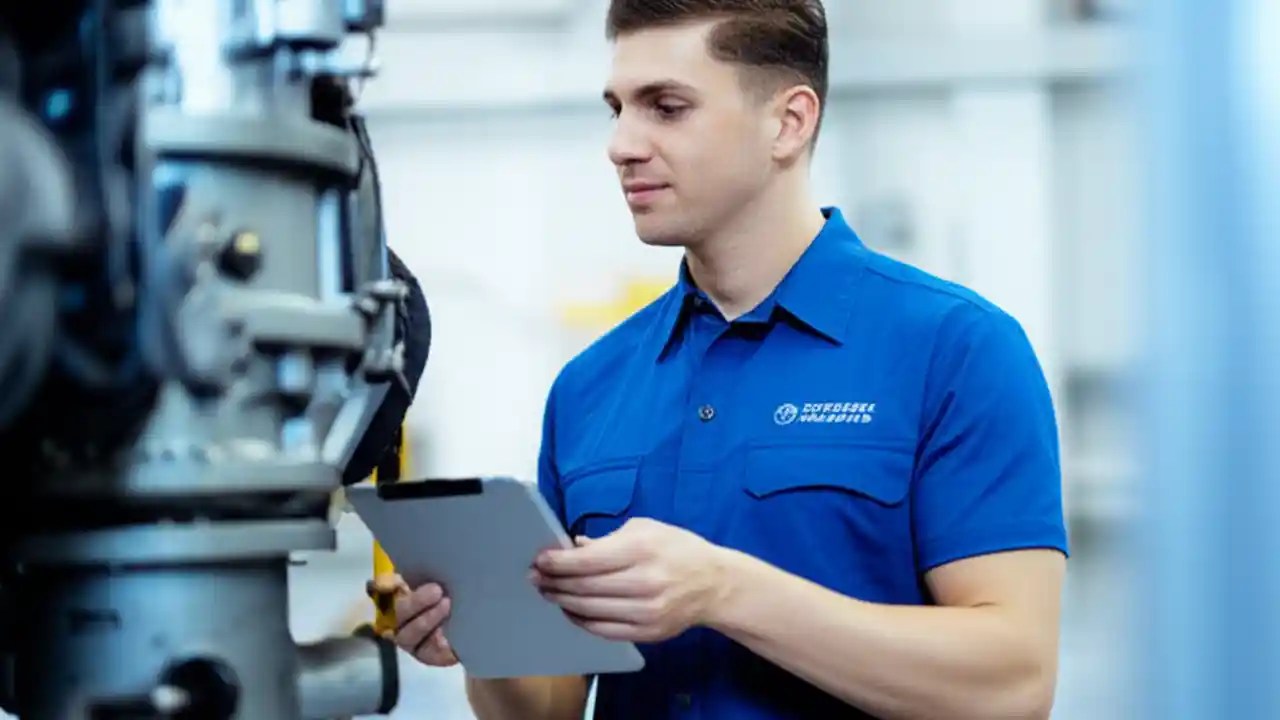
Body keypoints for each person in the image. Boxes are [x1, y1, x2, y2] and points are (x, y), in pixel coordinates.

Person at [382, 1, 1069, 718]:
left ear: (788, 122)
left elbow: (1012, 688)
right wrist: (487, 631)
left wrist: (726, 591)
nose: (621, 143)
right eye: (616, 108)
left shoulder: (955, 350)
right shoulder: (590, 386)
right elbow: (548, 709)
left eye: (666, 108)